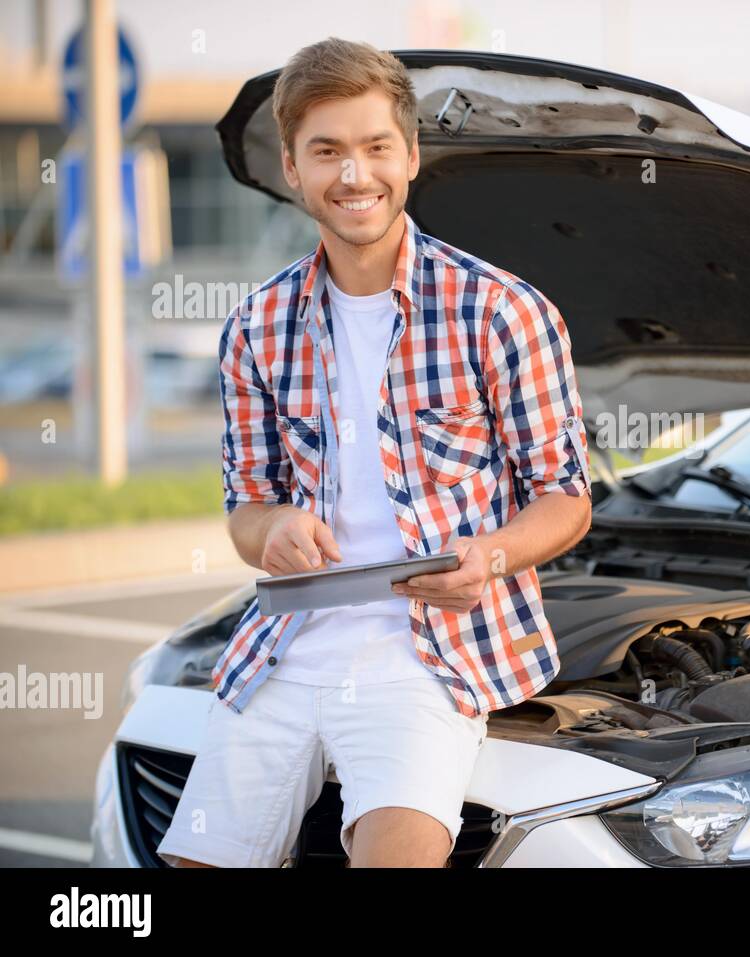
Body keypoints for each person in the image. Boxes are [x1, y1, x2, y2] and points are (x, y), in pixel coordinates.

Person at [156, 37, 592, 868]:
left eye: (374, 147)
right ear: (292, 167)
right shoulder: (254, 327)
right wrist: (271, 526)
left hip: (430, 653)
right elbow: (244, 509)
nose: (354, 175)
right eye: (327, 152)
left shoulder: (501, 311)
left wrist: (490, 553)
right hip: (284, 648)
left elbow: (567, 496)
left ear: (412, 156)